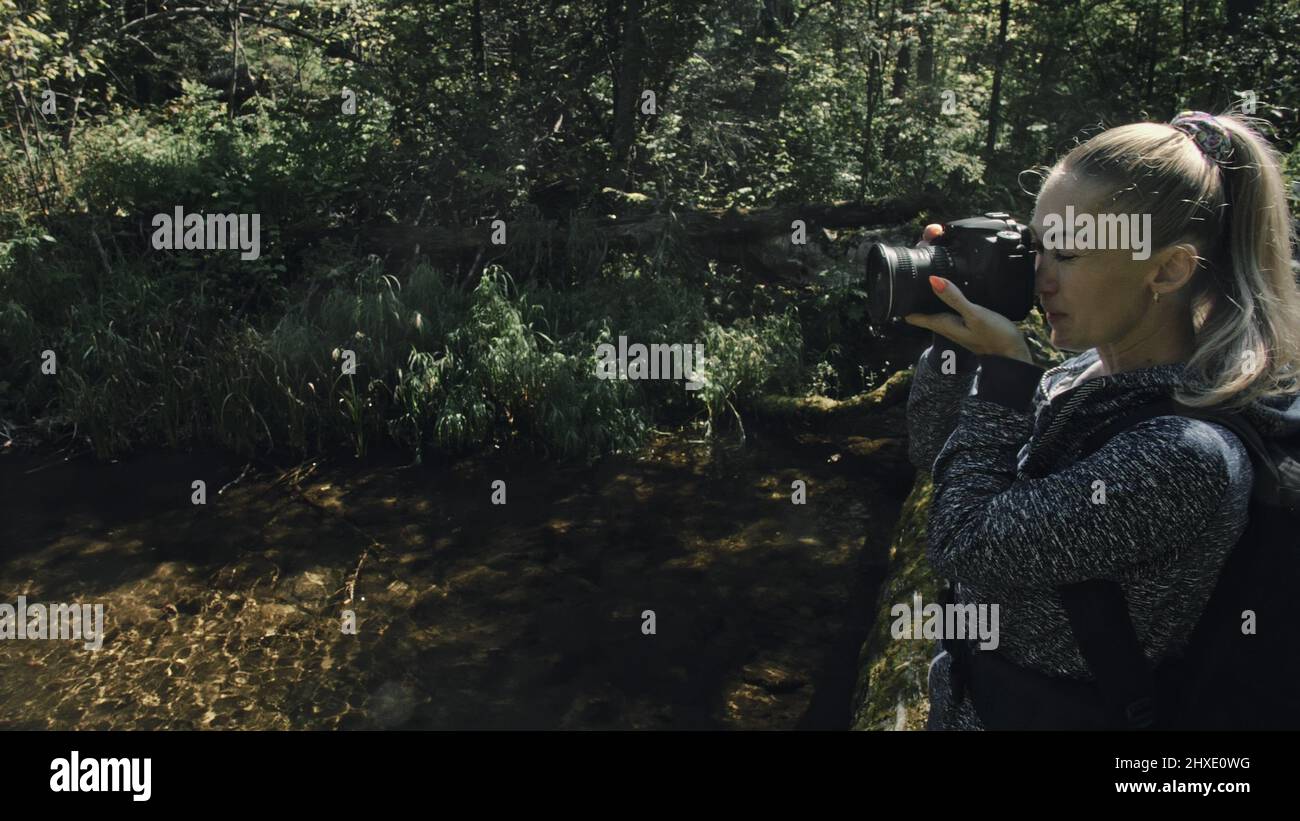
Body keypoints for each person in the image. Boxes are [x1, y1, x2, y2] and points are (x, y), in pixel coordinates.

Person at [903, 111, 1300, 730]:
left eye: (1068, 252)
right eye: (1037, 246)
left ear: (1167, 269)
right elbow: (940, 459)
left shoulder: (1184, 452)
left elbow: (965, 543)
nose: (1040, 276)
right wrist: (953, 340)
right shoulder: (1080, 372)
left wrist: (1007, 373)